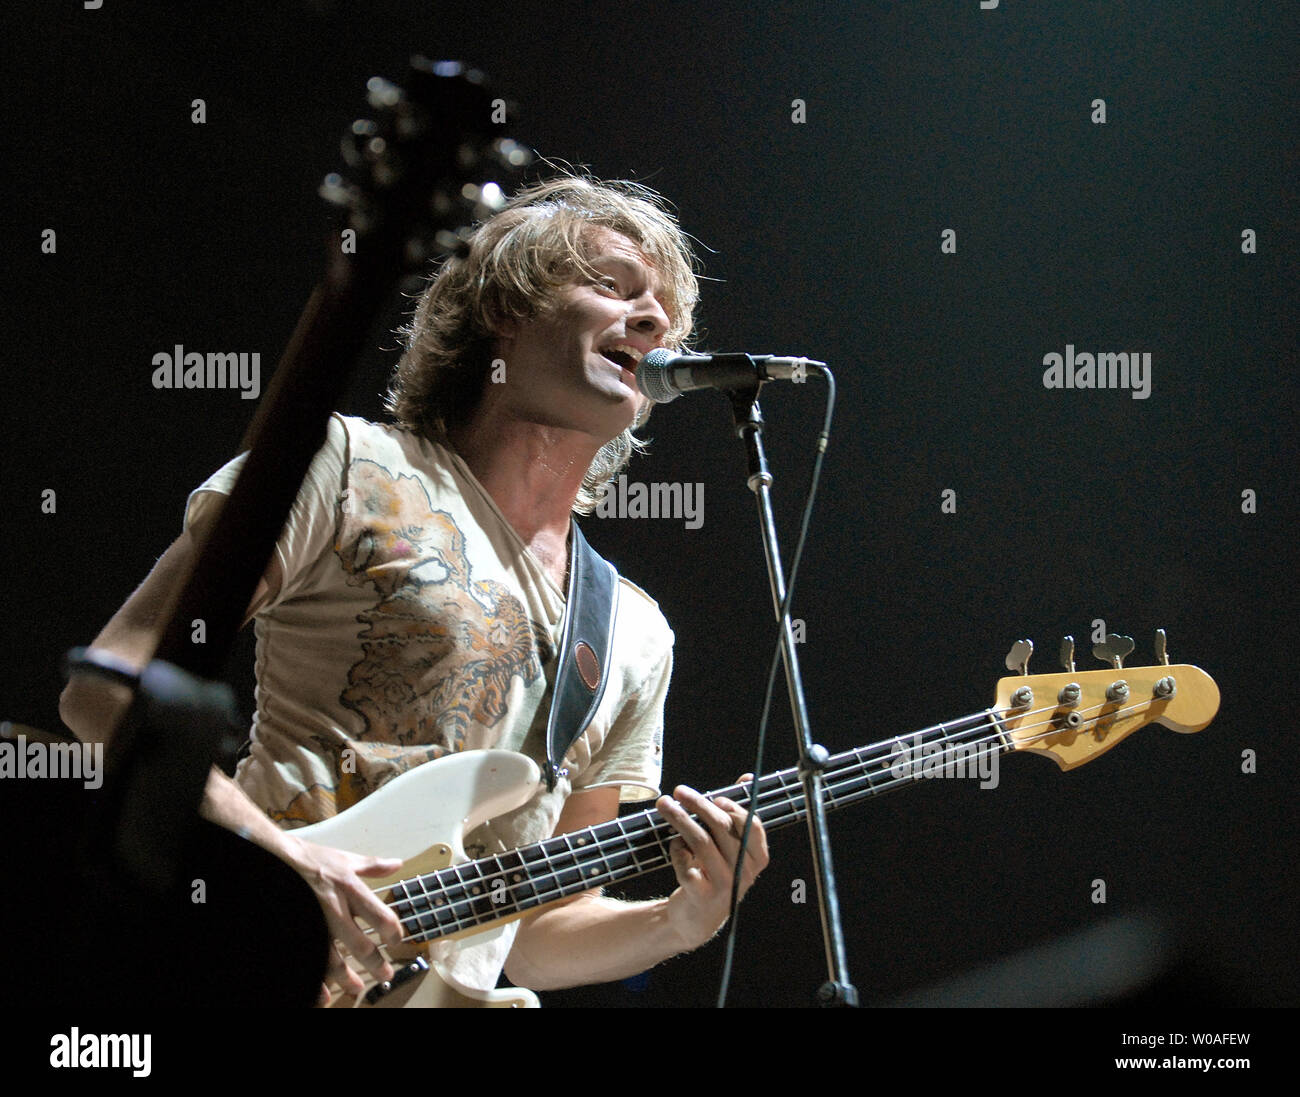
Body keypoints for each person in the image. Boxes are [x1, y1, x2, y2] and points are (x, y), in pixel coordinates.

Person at [59, 173, 769, 1006]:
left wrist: (683, 918)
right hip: (240, 951)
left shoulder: (633, 633)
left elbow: (536, 937)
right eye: (611, 287)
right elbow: (108, 685)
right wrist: (284, 861)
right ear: (507, 307)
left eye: (662, 313)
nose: (649, 320)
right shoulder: (347, 465)